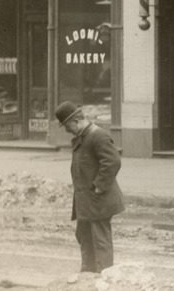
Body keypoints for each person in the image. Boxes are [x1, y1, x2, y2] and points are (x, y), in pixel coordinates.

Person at [55, 101, 123, 281]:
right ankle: (88, 275)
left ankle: (104, 278)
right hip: (86, 201)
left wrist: (99, 186)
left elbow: (112, 162)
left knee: (100, 240)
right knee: (84, 236)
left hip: (98, 199)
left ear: (76, 120)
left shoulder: (97, 135)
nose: (66, 130)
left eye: (67, 126)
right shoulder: (82, 137)